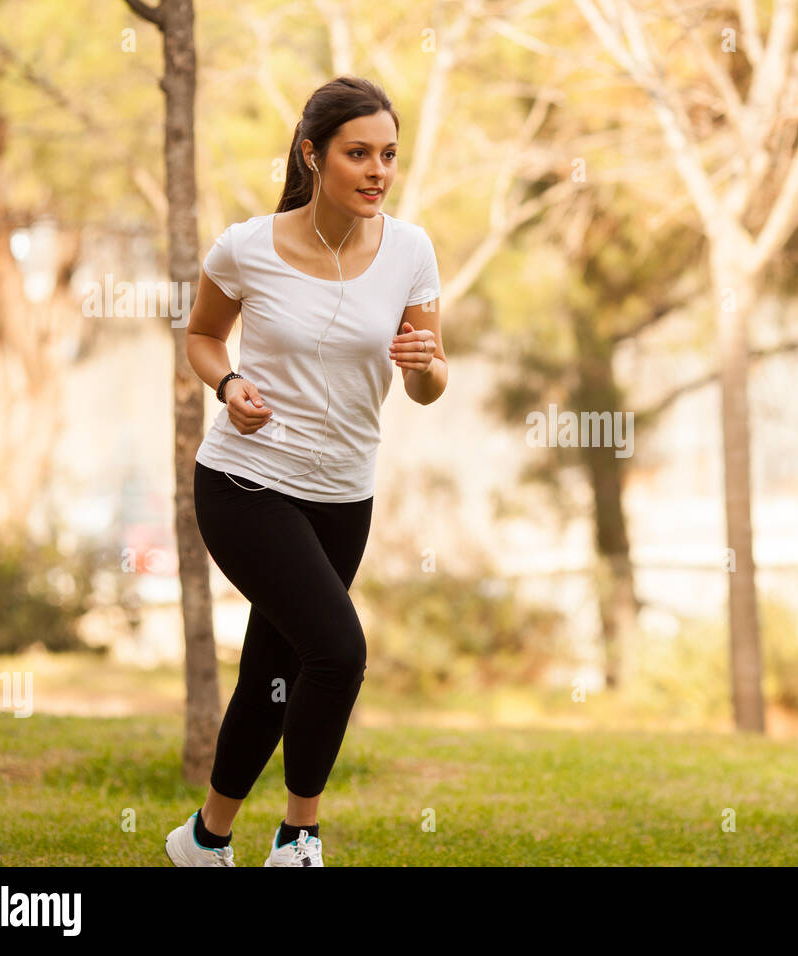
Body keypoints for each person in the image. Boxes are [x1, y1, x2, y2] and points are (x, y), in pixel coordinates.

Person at [164, 76, 446, 867]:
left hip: (343, 495)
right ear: (312, 155)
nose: (377, 171)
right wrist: (228, 386)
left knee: (272, 672)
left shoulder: (412, 251)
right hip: (246, 482)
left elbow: (427, 385)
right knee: (337, 651)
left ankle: (204, 839)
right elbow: (202, 337)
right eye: (358, 153)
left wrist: (426, 365)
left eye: (388, 155)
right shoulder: (247, 245)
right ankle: (299, 836)